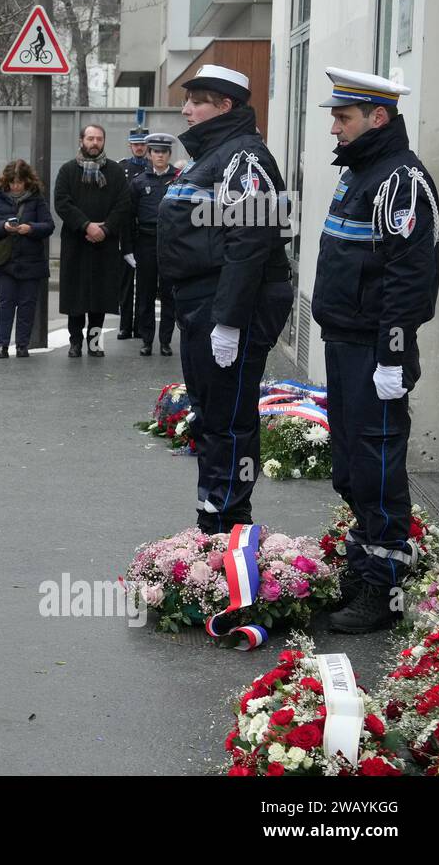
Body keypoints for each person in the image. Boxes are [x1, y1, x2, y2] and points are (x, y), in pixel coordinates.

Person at [312, 68, 439, 633]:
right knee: (351, 465)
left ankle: (383, 593)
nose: (335, 128)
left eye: (343, 118)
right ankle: (364, 567)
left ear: (377, 117)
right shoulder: (361, 172)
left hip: (374, 351)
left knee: (378, 465)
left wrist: (393, 355)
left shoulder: (401, 181)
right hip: (345, 342)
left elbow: (410, 277)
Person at [157, 64, 293, 536]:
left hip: (228, 305)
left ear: (226, 106)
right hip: (202, 303)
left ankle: (230, 525)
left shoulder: (244, 160)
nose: (186, 109)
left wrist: (230, 320)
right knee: (212, 415)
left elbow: (250, 243)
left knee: (229, 419)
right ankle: (213, 515)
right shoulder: (213, 155)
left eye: (196, 101)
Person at [54, 123, 131, 357]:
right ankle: (75, 342)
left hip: (104, 243)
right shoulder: (68, 170)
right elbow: (61, 202)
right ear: (81, 141)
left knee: (100, 296)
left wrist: (105, 229)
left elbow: (124, 204)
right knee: (76, 296)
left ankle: (95, 343)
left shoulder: (115, 172)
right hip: (76, 241)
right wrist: (86, 225)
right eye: (90, 138)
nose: (94, 143)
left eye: (99, 139)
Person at [0, 158, 54, 358]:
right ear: (6, 181)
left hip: (31, 261)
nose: (15, 186)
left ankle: (22, 344)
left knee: (27, 304)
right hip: (5, 261)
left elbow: (48, 225)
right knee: (5, 303)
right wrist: (4, 227)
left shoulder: (36, 199)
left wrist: (31, 228)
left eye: (19, 182)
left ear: (27, 181)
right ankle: (2, 345)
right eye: (12, 182)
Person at [127, 132, 179, 357]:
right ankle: (146, 340)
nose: (160, 156)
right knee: (146, 293)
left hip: (170, 243)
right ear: (149, 154)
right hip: (146, 241)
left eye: (164, 152)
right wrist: (127, 248)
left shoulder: (179, 180)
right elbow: (128, 217)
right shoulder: (139, 182)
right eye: (156, 152)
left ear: (169, 154)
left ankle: (165, 341)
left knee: (169, 293)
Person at [116, 126, 149, 340]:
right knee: (125, 282)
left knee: (145, 282)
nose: (139, 148)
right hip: (125, 230)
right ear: (130, 145)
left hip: (144, 231)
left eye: (142, 144)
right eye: (136, 144)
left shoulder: (153, 167)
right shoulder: (122, 168)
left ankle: (141, 326)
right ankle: (125, 325)